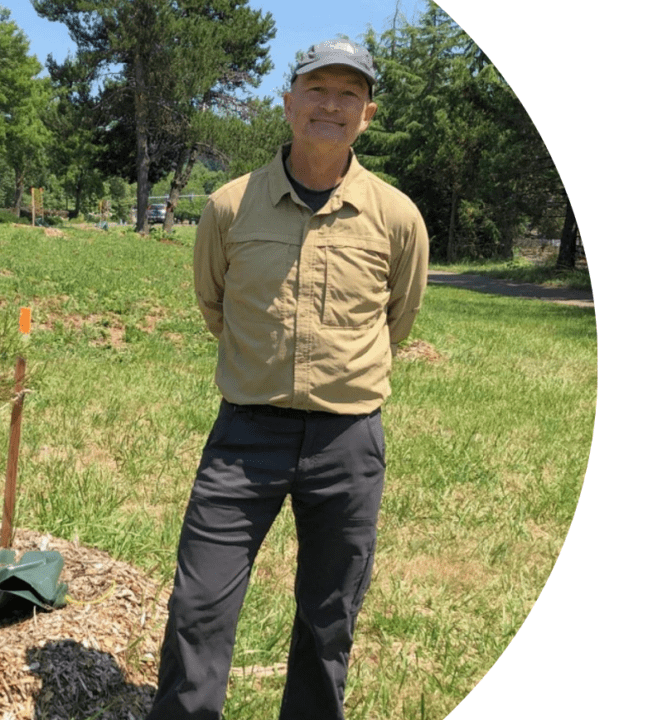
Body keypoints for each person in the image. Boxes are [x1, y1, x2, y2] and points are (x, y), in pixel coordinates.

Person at [146, 38, 429, 720]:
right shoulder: (230, 206)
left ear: (367, 113)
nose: (330, 106)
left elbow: (399, 319)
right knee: (198, 606)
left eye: (348, 95)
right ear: (288, 102)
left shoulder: (397, 217)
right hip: (246, 438)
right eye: (317, 89)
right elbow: (215, 304)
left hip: (348, 445)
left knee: (330, 619)